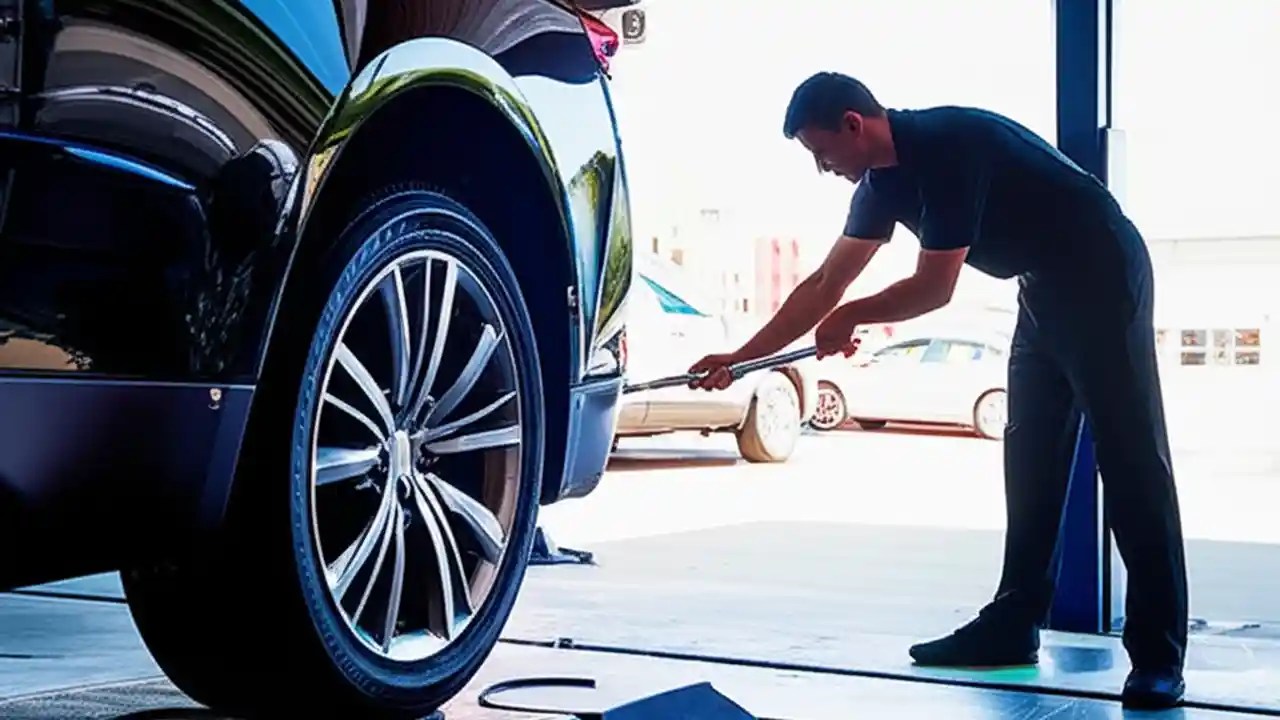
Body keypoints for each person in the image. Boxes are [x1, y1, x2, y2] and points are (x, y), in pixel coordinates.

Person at [688, 71, 1189, 710]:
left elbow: (933, 288)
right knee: (1031, 457)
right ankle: (1012, 624)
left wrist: (852, 317)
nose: (822, 168)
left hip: (1103, 270)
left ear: (853, 124)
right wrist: (740, 359)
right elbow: (823, 286)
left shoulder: (946, 144)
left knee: (1130, 460)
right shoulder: (879, 183)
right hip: (1041, 286)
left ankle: (1159, 658)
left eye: (823, 152)